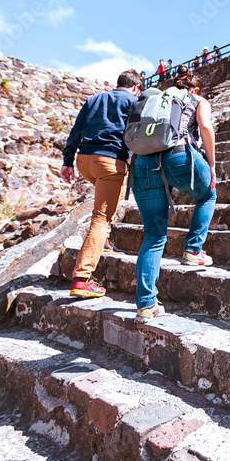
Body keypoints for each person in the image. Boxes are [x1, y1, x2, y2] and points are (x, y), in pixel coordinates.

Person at [129, 65, 217, 320]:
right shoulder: (198, 99)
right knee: (207, 195)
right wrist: (211, 166)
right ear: (195, 89)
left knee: (153, 237)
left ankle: (146, 305)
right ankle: (193, 250)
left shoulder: (154, 98)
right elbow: (206, 128)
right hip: (178, 156)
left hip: (143, 164)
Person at [60, 69, 143, 298]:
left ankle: (102, 241)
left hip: (84, 161)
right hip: (110, 161)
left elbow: (75, 131)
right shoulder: (134, 101)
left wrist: (68, 162)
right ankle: (81, 279)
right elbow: (138, 135)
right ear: (136, 87)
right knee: (102, 218)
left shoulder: (94, 99)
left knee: (102, 206)